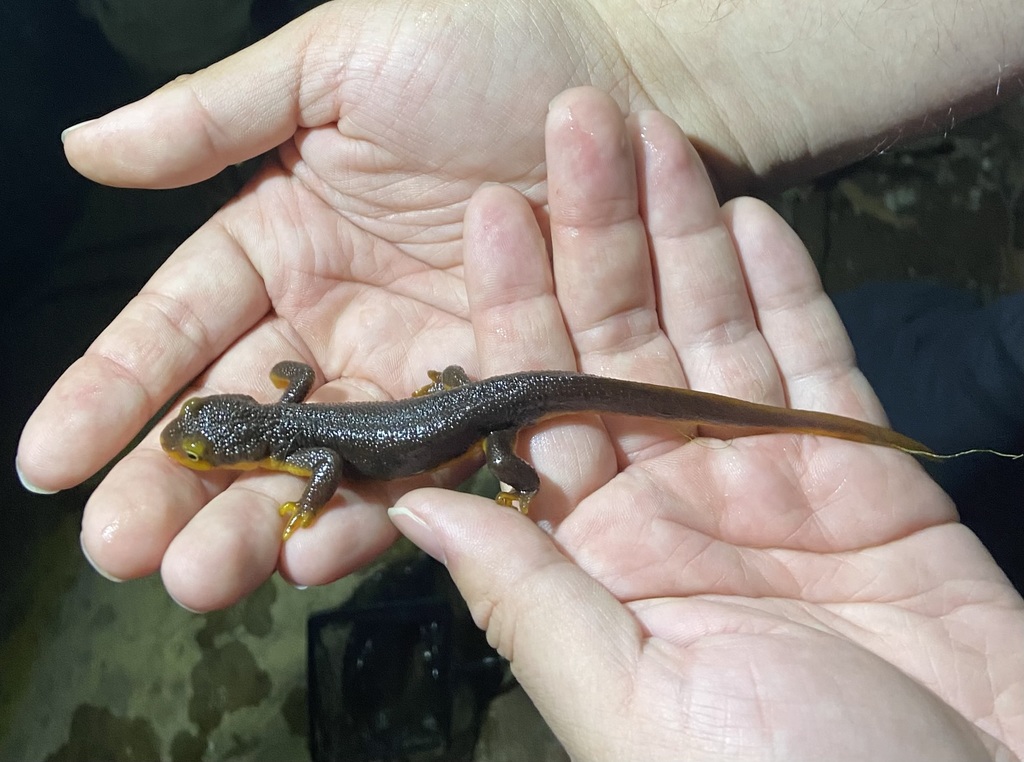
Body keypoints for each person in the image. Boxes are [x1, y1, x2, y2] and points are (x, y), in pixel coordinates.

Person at [15, 1, 1024, 755]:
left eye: (201, 436)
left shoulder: (301, 449)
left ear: (242, 434)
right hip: (461, 404)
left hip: (477, 416)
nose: (196, 445)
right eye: (202, 439)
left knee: (514, 456)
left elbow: (316, 461)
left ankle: (517, 475)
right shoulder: (290, 425)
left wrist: (309, 506)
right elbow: (297, 402)